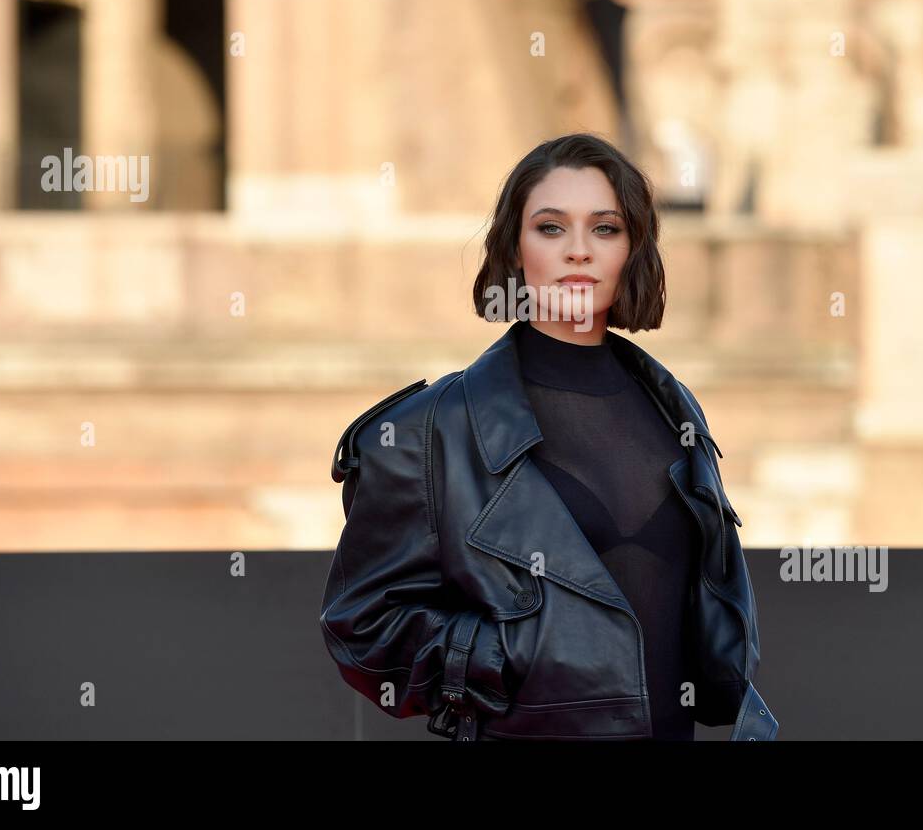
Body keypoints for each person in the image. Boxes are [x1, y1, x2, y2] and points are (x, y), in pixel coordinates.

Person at [321, 132, 778, 741]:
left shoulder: (674, 410)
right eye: (552, 228)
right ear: (514, 249)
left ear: (633, 250)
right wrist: (511, 659)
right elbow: (361, 623)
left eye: (606, 228)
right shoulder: (429, 430)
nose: (579, 252)